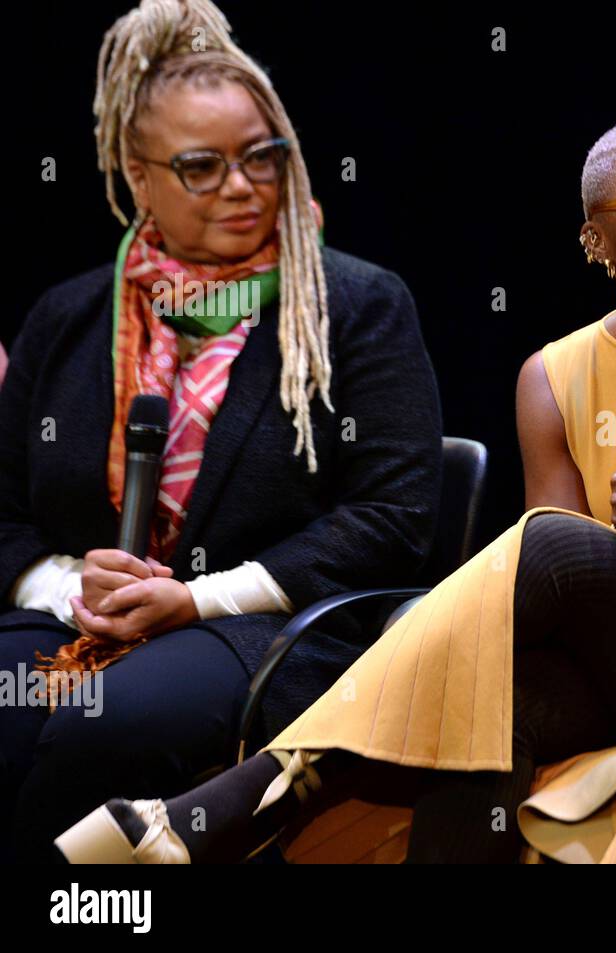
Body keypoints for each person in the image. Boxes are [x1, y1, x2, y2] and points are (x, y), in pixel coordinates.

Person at [56, 112, 616, 863]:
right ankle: (276, 788)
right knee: (492, 707)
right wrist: (614, 537)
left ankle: (271, 779)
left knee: (545, 545)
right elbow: (545, 609)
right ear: (595, 238)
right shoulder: (551, 375)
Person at [0, 0, 441, 863]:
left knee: (110, 724)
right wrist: (70, 590)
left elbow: (395, 517)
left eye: (263, 157)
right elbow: (7, 517)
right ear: (139, 174)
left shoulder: (355, 305)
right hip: (81, 624)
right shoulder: (68, 319)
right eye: (202, 167)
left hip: (269, 631)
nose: (243, 187)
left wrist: (193, 598)